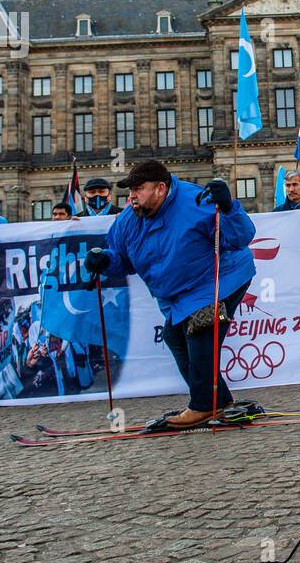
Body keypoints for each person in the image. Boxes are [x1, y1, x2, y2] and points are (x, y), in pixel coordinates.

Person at [85, 160, 255, 429]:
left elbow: (241, 237)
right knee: (174, 336)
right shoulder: (129, 219)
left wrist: (230, 207)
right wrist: (103, 260)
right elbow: (121, 257)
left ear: (161, 188)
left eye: (138, 189)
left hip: (221, 277)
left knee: (199, 328)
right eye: (130, 190)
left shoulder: (196, 202)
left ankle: (202, 406)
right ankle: (219, 402)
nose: (132, 197)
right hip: (180, 293)